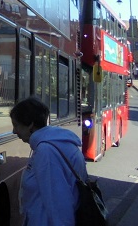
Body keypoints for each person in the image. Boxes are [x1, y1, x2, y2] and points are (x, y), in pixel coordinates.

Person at [10, 96, 86, 226]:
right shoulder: (52, 143)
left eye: (16, 125)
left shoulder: (46, 152)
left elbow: (59, 205)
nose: (14, 131)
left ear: (31, 125)